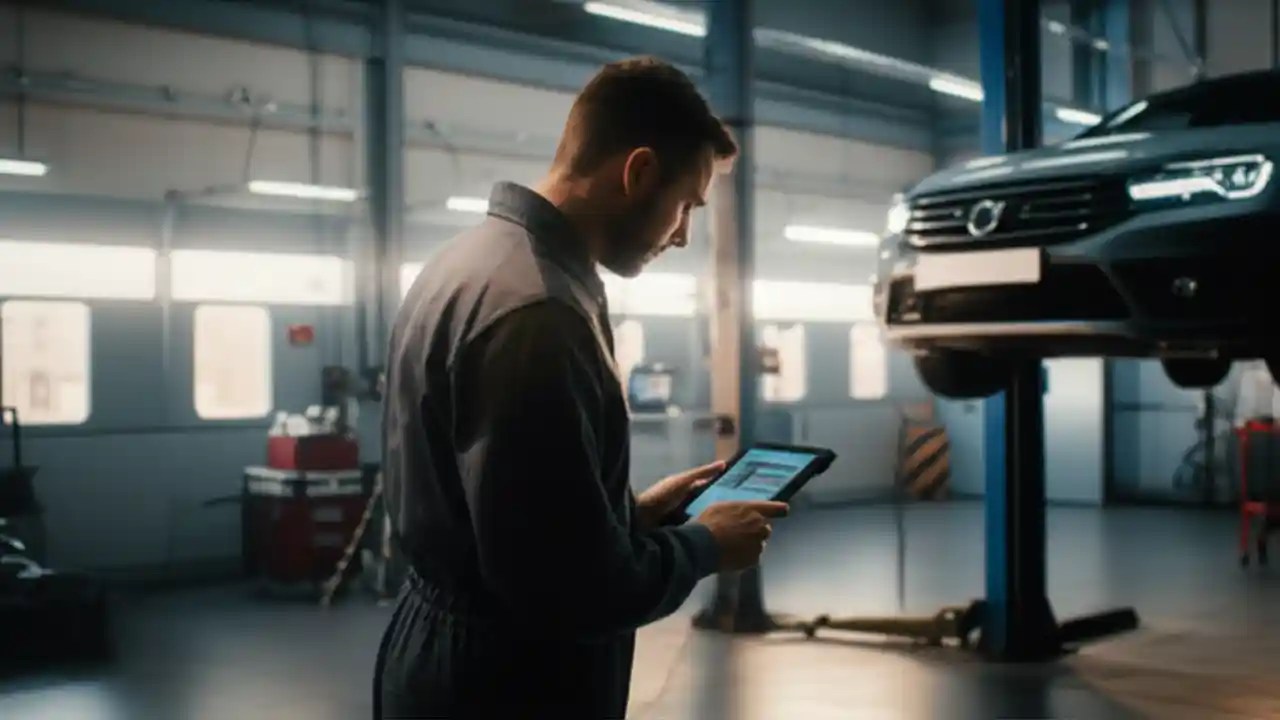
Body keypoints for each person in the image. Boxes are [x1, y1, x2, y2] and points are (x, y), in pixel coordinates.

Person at [374, 56, 789, 718]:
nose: (682, 236)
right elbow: (568, 590)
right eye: (686, 206)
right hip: (507, 685)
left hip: (450, 652)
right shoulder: (538, 314)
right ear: (639, 172)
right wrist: (704, 545)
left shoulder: (468, 263)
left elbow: (498, 518)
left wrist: (627, 517)